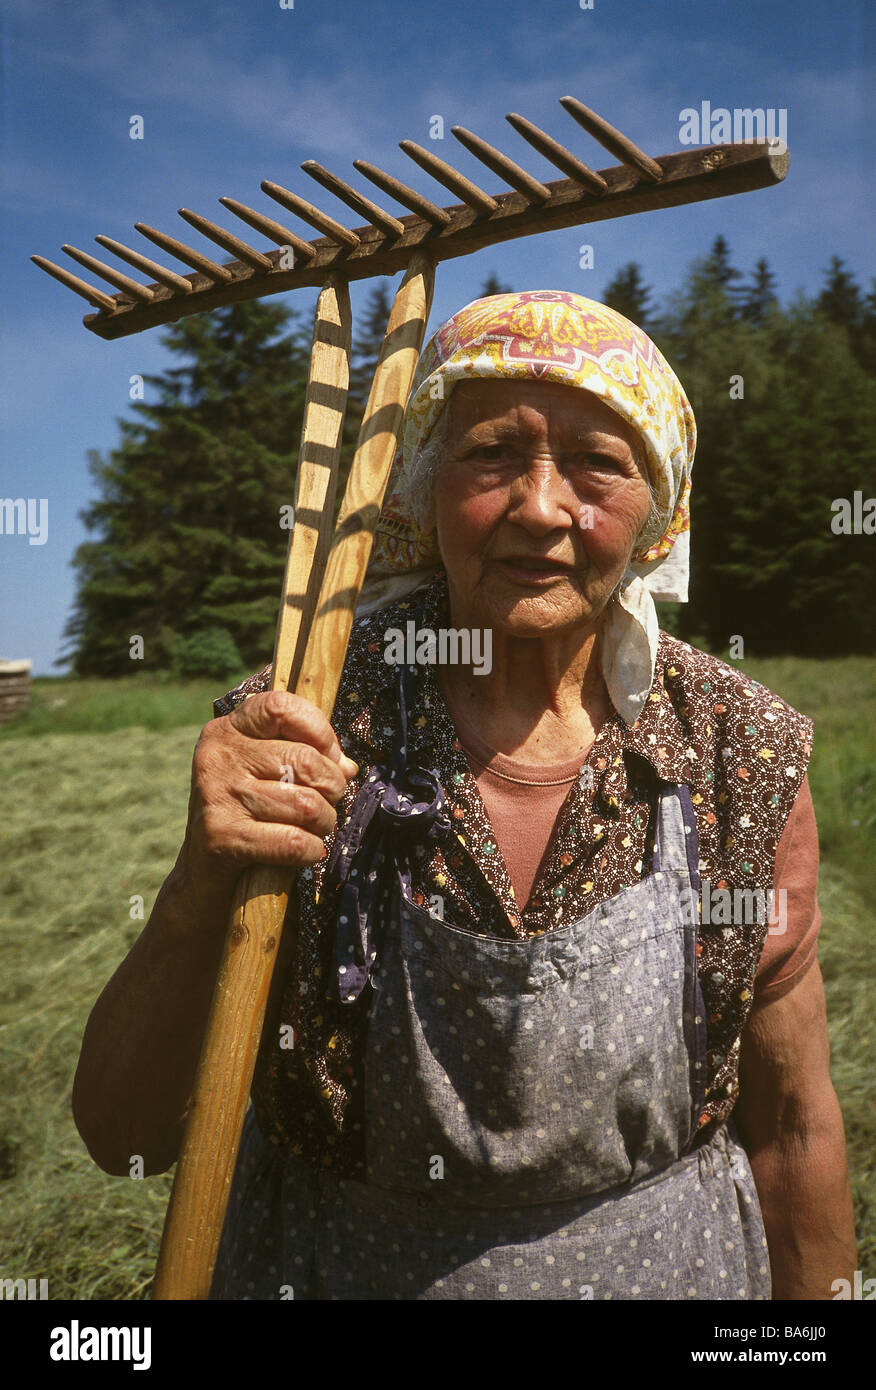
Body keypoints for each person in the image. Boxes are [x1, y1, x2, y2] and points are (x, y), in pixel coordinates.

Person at [73, 290, 857, 1301]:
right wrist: (195, 881)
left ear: (659, 505)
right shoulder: (304, 726)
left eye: (596, 464)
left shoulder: (736, 752)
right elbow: (124, 1136)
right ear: (425, 482)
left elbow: (794, 1132)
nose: (540, 505)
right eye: (492, 452)